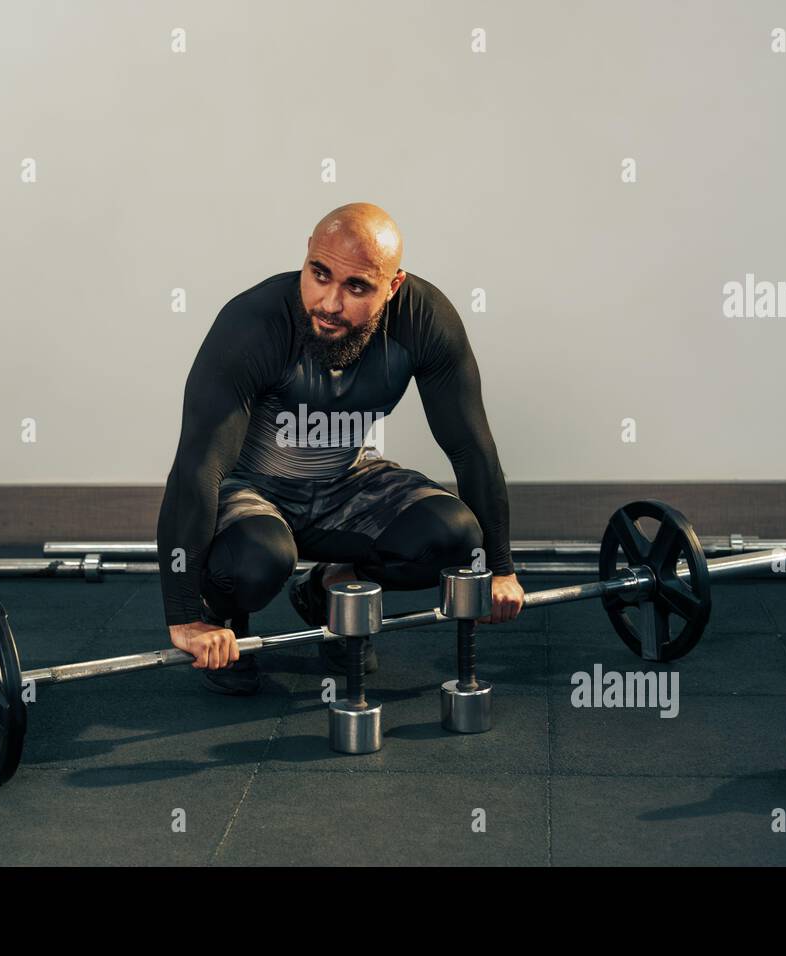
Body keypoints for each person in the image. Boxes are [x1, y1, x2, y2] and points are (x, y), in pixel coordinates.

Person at [157, 202, 524, 694]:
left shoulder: (425, 319)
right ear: (307, 255)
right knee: (256, 561)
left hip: (348, 480)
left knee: (457, 536)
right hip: (253, 489)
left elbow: (470, 446)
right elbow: (199, 468)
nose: (329, 303)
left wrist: (498, 567)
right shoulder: (252, 323)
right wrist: (184, 617)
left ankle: (331, 586)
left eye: (356, 287)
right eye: (320, 274)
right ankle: (221, 613)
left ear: (393, 287)